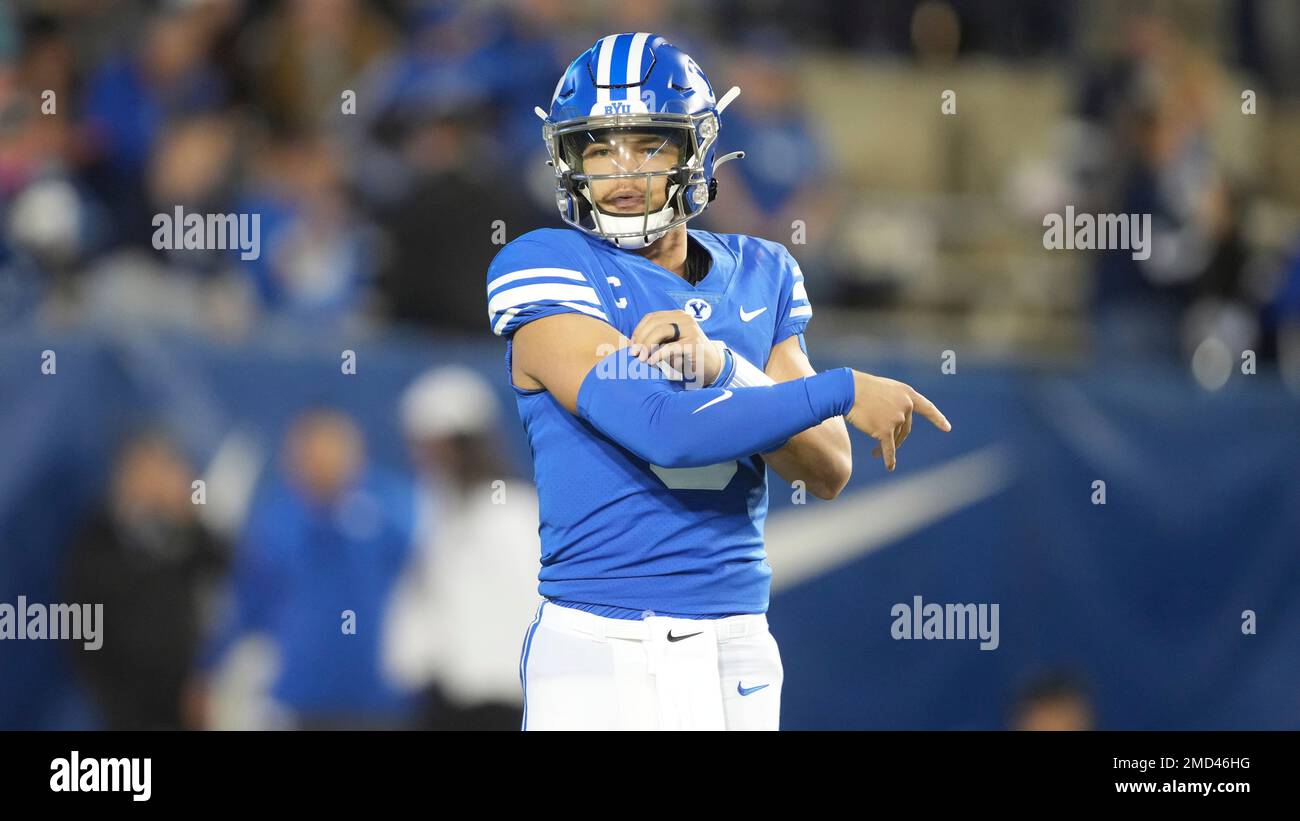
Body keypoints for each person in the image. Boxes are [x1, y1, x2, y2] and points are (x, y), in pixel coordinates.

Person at [487, 33, 952, 730]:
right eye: (599, 148)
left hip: (737, 640)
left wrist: (723, 366)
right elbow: (664, 431)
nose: (621, 170)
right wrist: (843, 387)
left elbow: (828, 466)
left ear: (695, 149)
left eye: (648, 145)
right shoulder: (549, 265)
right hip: (604, 639)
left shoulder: (762, 272)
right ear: (568, 158)